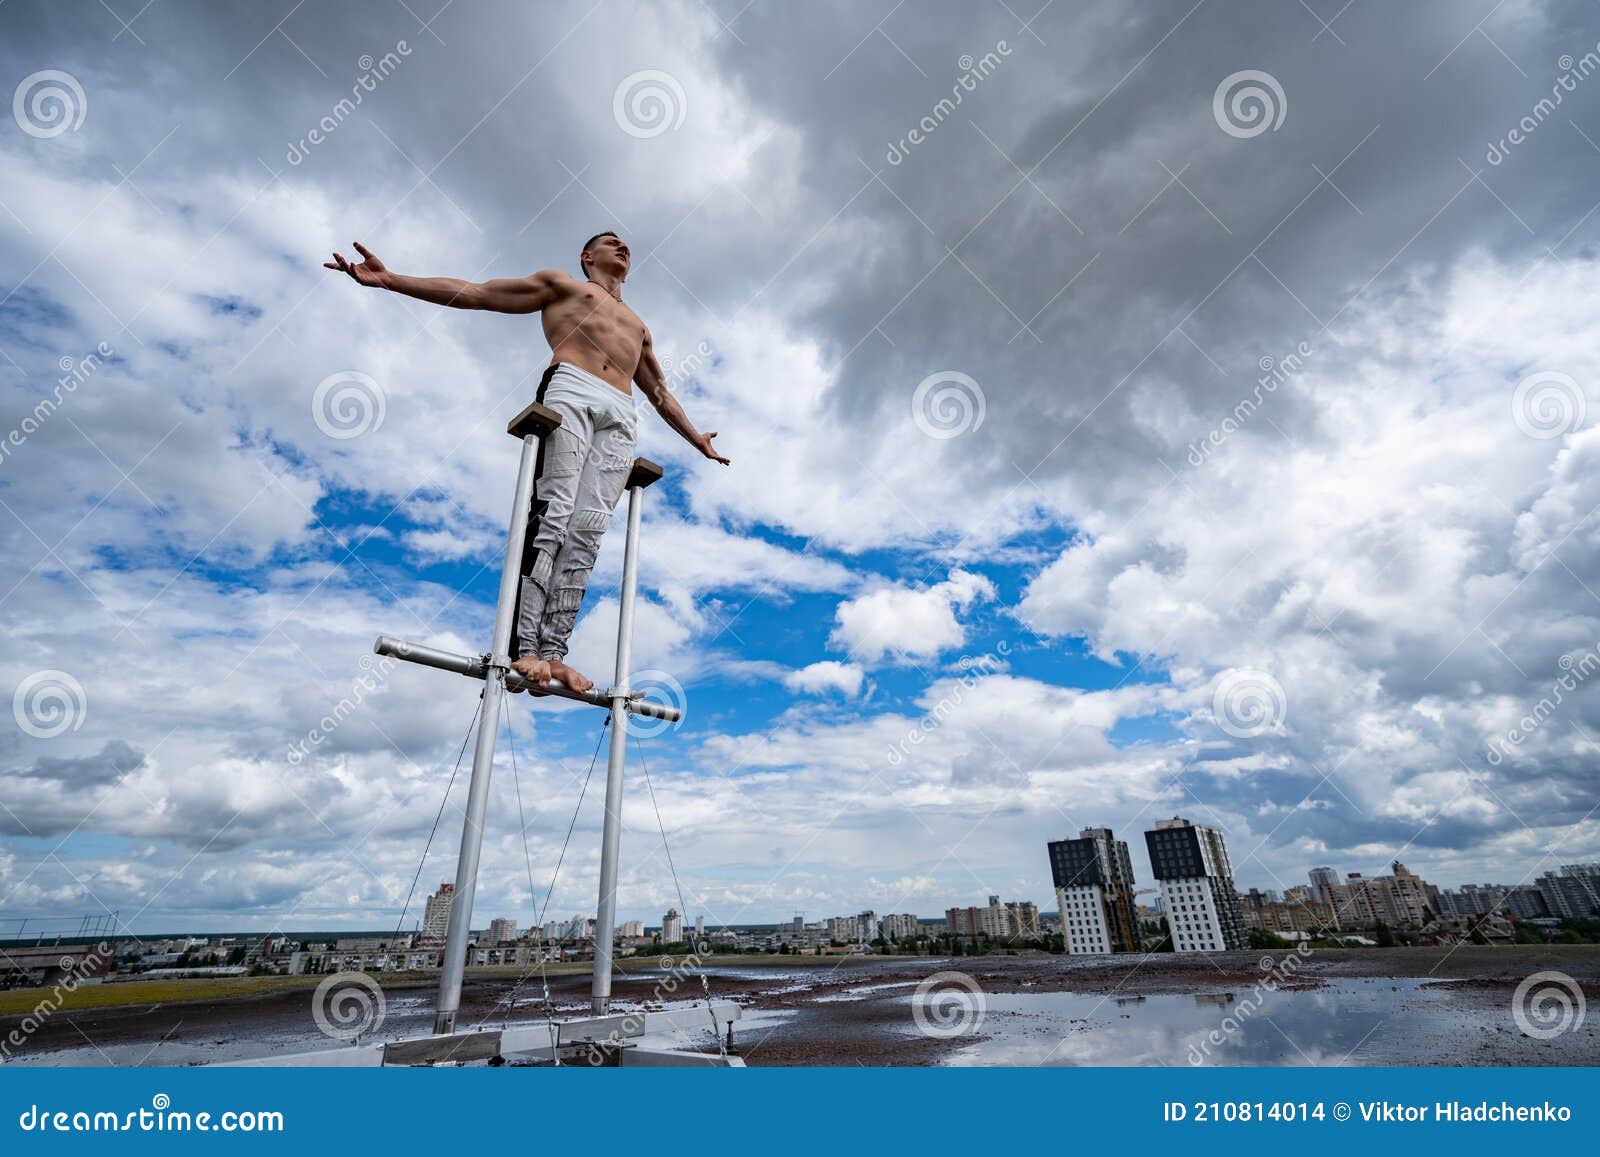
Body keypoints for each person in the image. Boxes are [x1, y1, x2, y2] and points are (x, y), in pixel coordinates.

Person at [325, 231, 729, 693]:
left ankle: (555, 653)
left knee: (588, 532)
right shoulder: (562, 285)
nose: (623, 248)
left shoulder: (639, 325)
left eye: (627, 247)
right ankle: (527, 649)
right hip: (572, 387)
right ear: (586, 255)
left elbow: (659, 392)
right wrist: (393, 280)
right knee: (553, 517)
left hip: (621, 411)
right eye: (611, 242)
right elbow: (477, 295)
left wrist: (696, 438)